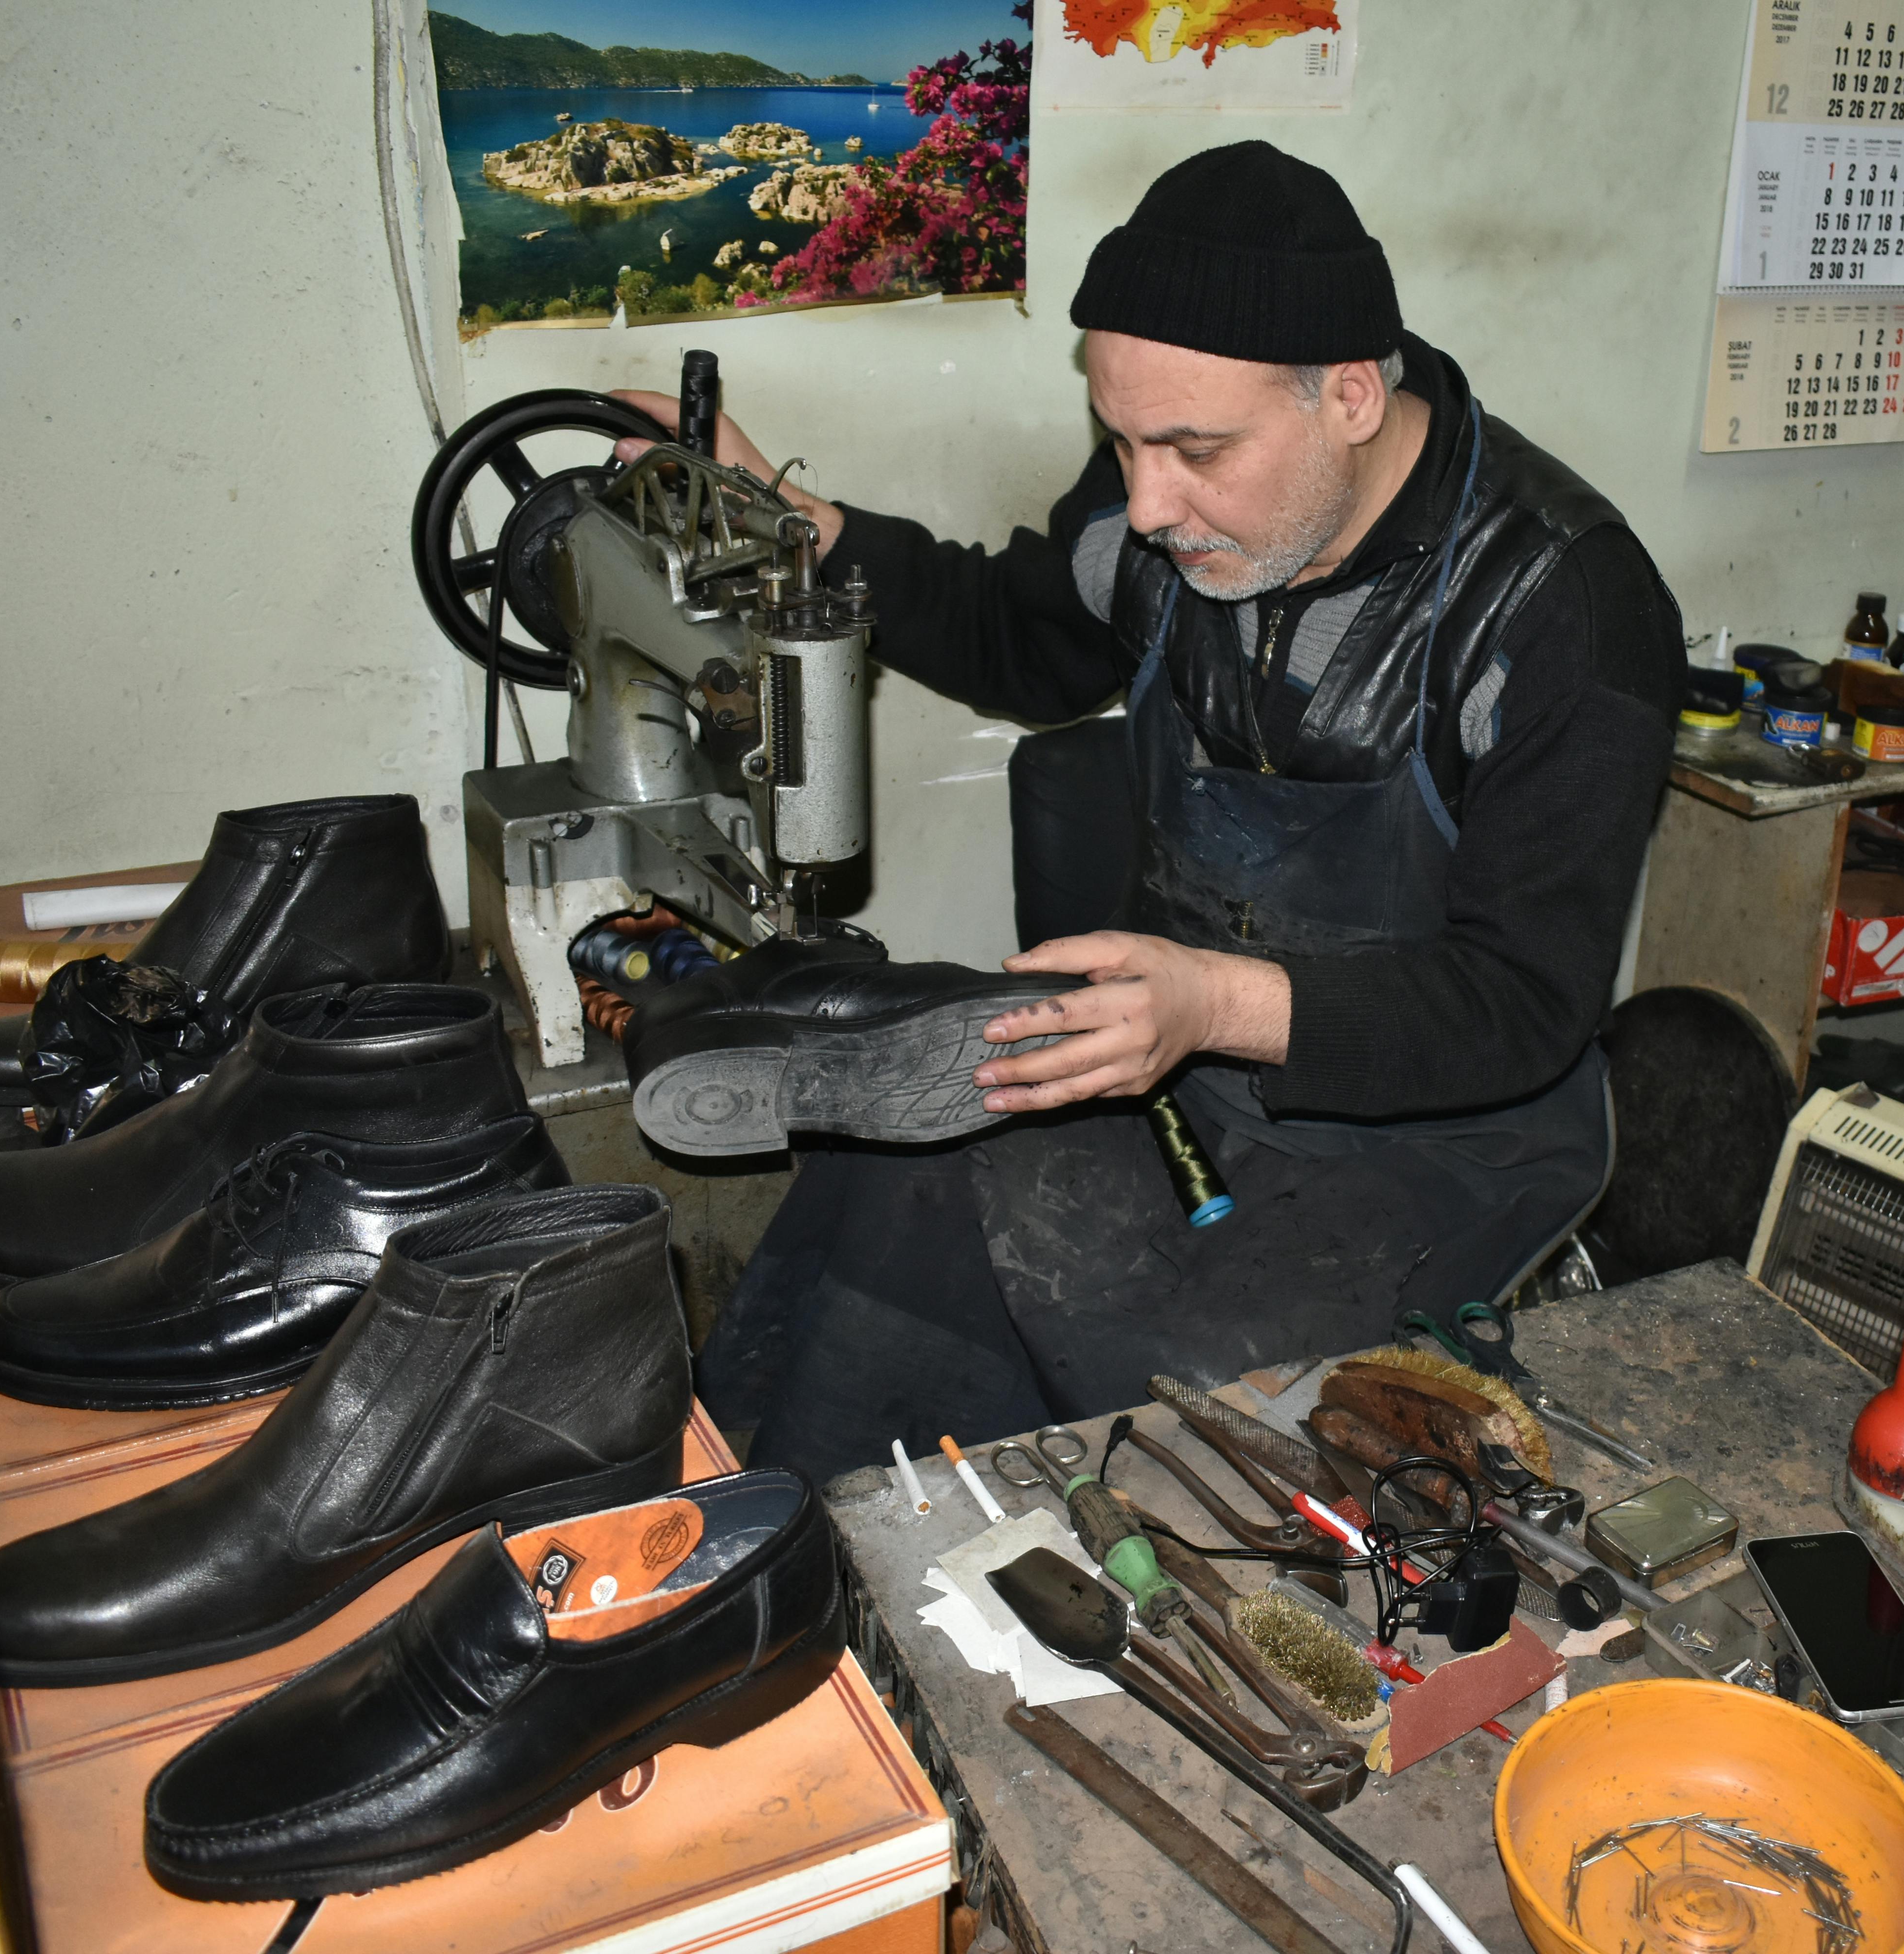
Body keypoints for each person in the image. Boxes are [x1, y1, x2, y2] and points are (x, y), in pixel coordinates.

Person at [617, 141, 1681, 1477]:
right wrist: (797, 523)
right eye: (1121, 442)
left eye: (1193, 450)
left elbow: (1526, 1005)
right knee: (901, 1200)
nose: (1147, 502)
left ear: (1351, 395)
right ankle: (798, 1553)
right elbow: (1026, 636)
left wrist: (1214, 1005)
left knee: (1181, 1414)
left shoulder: (1563, 611)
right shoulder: (1165, 506)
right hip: (1174, 1062)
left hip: (1439, 1139)